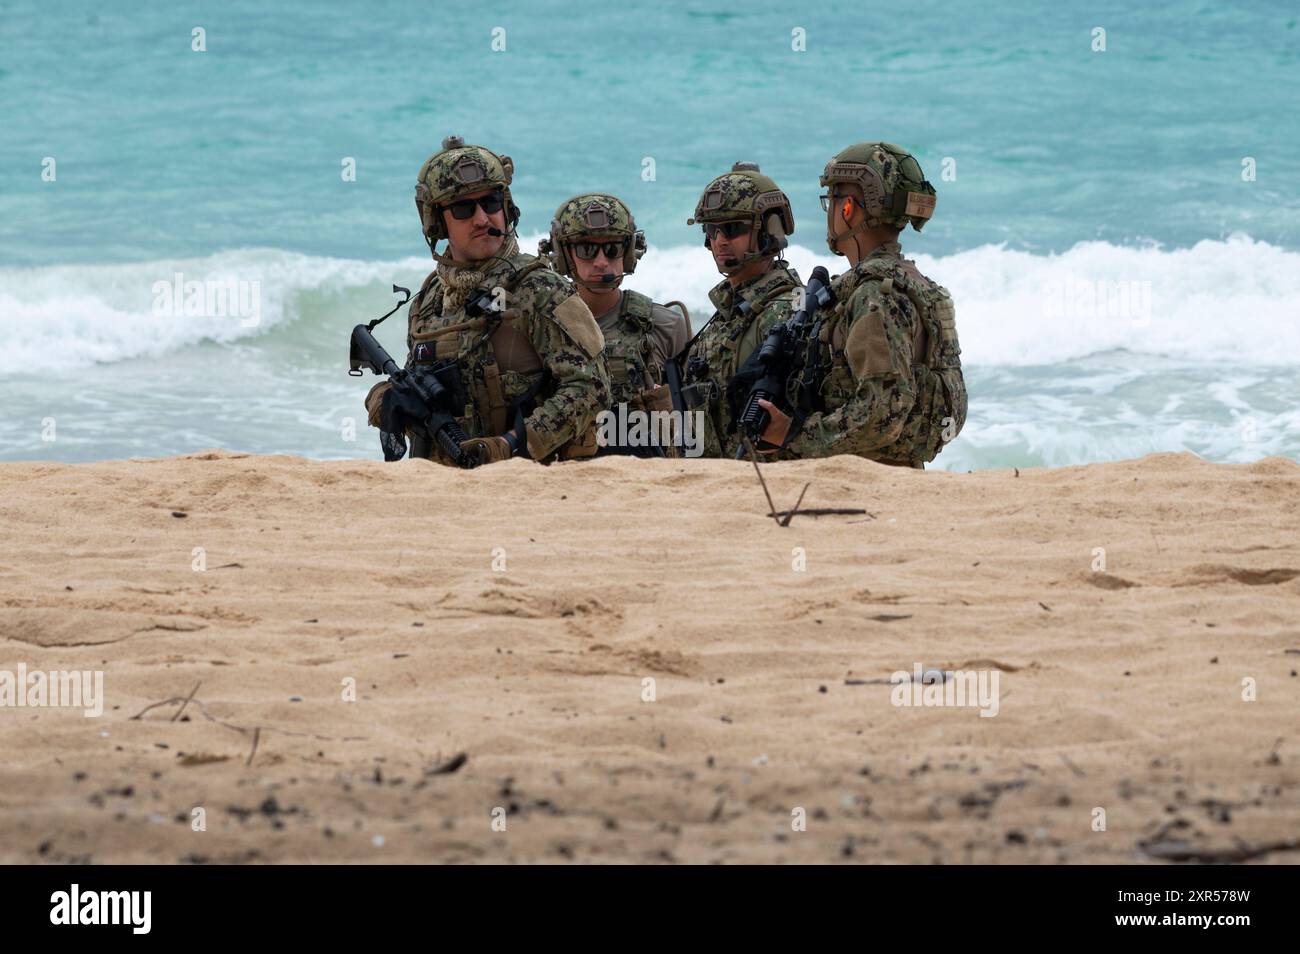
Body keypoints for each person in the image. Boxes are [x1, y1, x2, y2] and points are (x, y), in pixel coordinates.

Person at [363, 136, 610, 465]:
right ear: (437, 221)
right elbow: (418, 384)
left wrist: (511, 445)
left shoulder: (539, 290)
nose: (482, 218)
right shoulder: (431, 300)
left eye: (491, 202)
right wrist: (387, 400)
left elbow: (591, 387)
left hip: (531, 483)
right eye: (464, 208)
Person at [757, 142, 967, 467]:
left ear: (848, 209)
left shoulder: (874, 296)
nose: (829, 211)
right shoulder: (917, 284)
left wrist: (793, 435)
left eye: (832, 200)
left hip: (869, 475)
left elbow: (882, 414)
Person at [540, 193, 691, 456]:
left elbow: (691, 429)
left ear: (628, 252)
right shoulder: (543, 327)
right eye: (586, 249)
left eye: (612, 249)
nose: (601, 262)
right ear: (565, 256)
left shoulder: (664, 325)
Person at [678, 162, 802, 459]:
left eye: (733, 229)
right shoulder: (729, 312)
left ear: (768, 230)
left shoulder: (785, 312)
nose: (719, 240)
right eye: (712, 230)